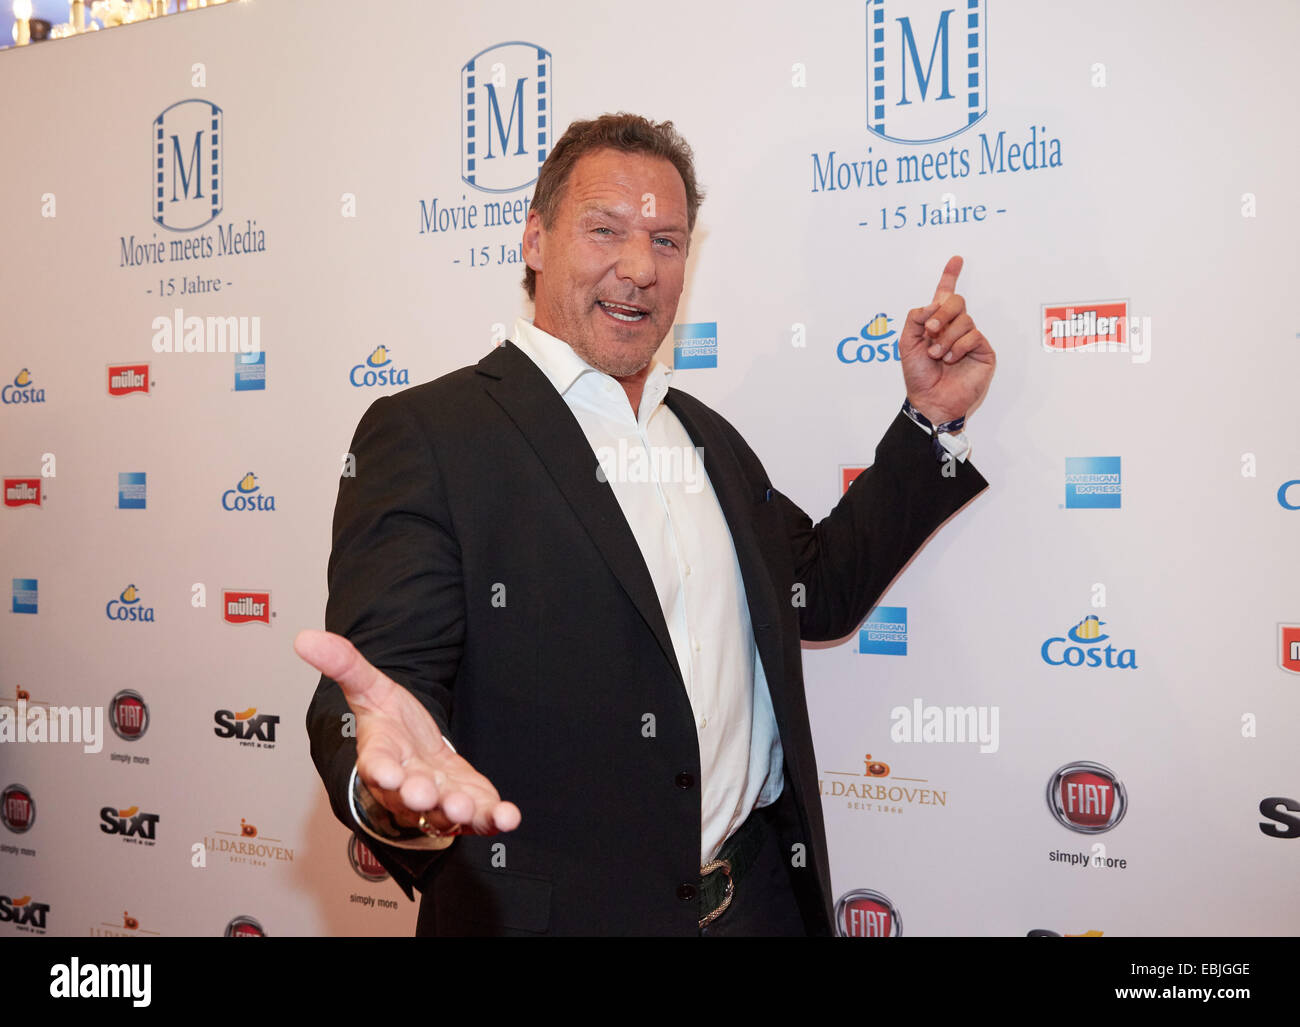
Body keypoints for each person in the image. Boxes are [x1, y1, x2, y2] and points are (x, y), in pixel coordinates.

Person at [297, 113, 994, 936]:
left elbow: (819, 589)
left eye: (667, 241)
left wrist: (927, 423)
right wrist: (393, 798)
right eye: (606, 230)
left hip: (756, 903)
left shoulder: (705, 437)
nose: (638, 268)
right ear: (533, 240)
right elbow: (383, 699)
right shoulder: (429, 436)